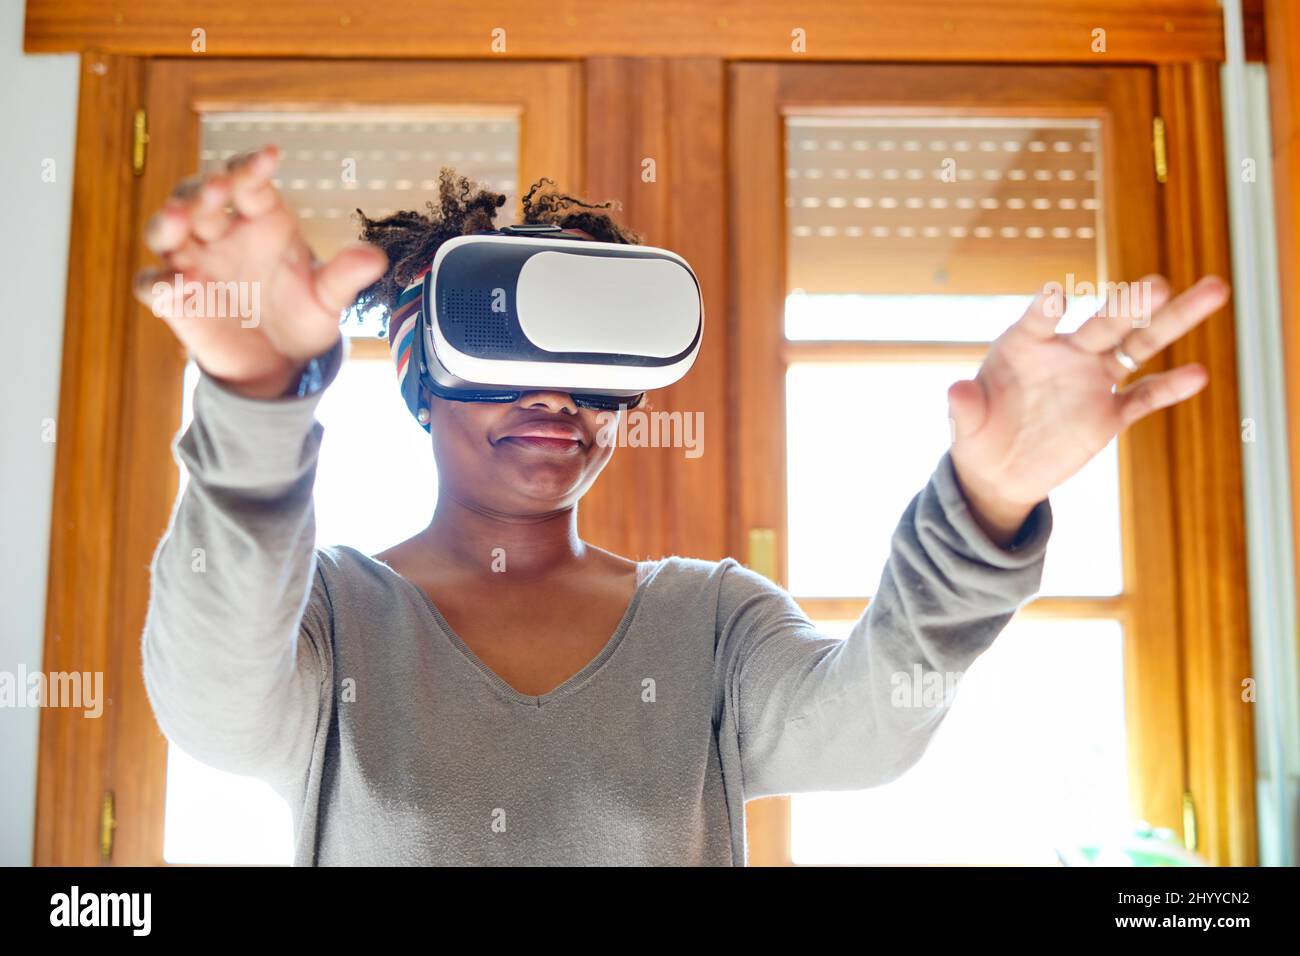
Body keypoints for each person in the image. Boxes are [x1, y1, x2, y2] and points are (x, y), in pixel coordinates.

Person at [133, 145, 1229, 865]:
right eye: (512, 341)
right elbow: (212, 697)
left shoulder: (708, 618)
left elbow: (868, 730)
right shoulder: (328, 616)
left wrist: (984, 501)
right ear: (426, 371)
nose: (557, 395)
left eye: (595, 358)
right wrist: (255, 400)